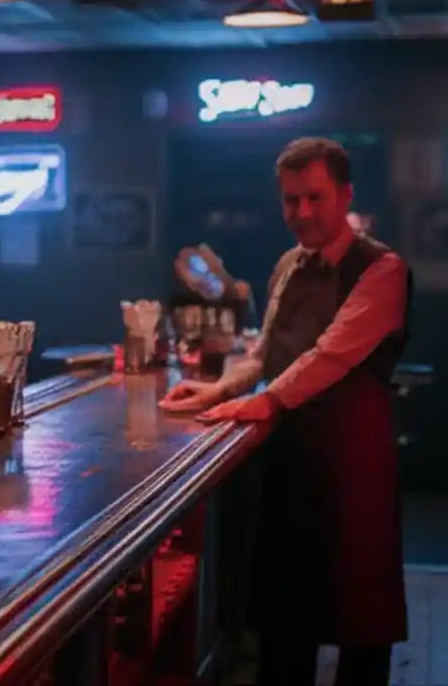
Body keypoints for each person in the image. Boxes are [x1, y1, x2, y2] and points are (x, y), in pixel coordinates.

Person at [159, 137, 411, 685]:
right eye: (290, 200)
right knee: (284, 618)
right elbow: (265, 353)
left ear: (344, 196)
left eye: (314, 198)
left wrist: (265, 398)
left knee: (361, 618)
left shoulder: (382, 269)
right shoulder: (288, 266)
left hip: (354, 459)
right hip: (292, 453)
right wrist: (217, 391)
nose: (300, 213)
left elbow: (331, 354)